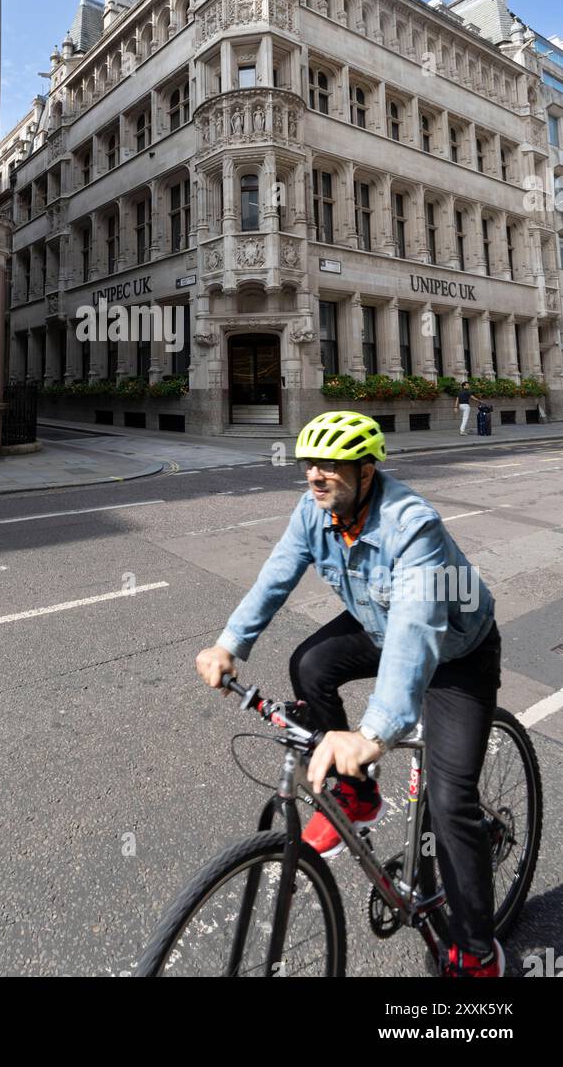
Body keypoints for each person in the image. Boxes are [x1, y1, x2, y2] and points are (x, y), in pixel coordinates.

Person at [196, 410, 504, 978]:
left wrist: (373, 732)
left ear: (366, 473)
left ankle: (479, 949)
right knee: (309, 664)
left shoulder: (413, 526)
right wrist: (229, 644)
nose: (315, 475)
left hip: (457, 655)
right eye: (309, 464)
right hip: (379, 625)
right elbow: (277, 574)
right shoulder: (315, 513)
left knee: (450, 801)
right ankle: (357, 796)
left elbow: (417, 625)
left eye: (330, 466)